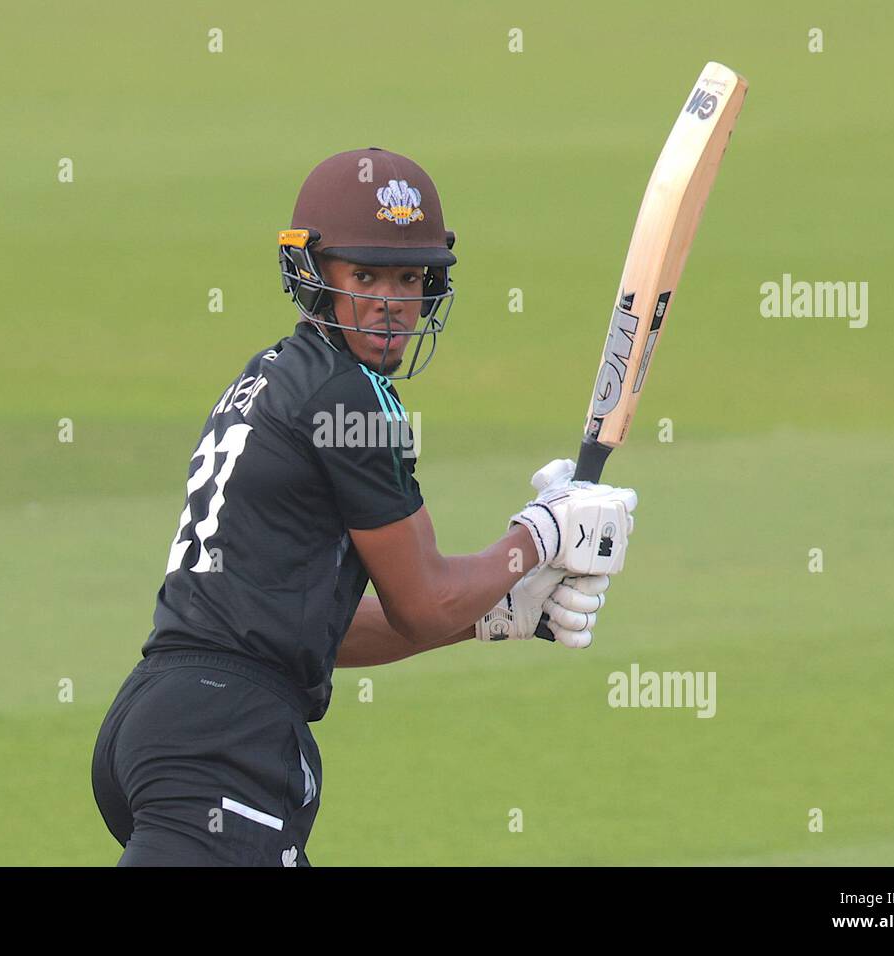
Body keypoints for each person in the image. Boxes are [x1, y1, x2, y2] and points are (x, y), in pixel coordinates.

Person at [91, 147, 638, 866]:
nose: (391, 300)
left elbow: (313, 628)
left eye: (409, 277)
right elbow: (422, 603)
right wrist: (539, 536)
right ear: (314, 275)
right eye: (366, 274)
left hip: (166, 721)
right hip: (220, 747)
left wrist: (500, 612)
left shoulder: (272, 377)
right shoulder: (353, 401)